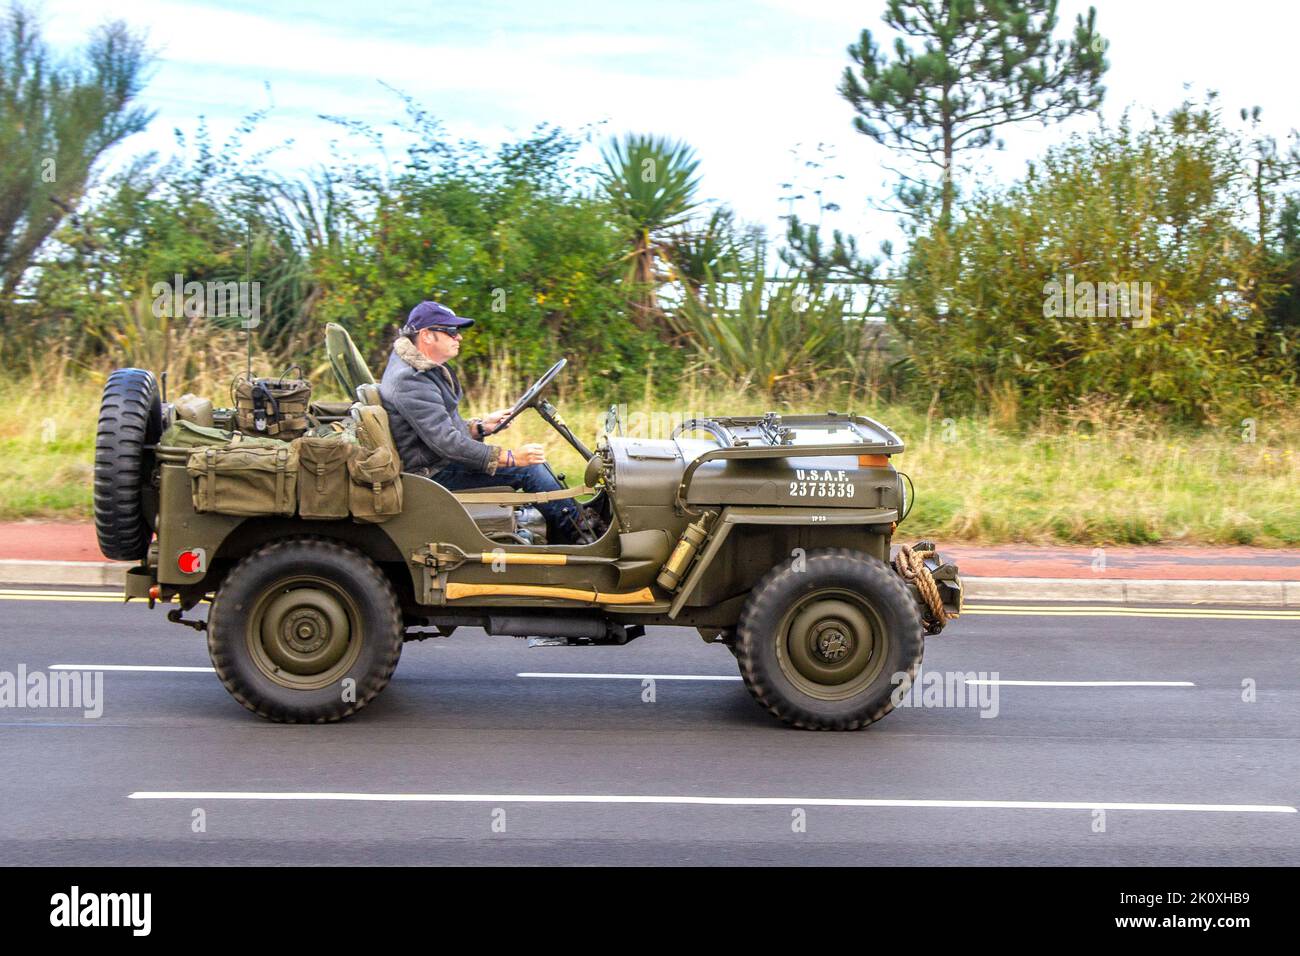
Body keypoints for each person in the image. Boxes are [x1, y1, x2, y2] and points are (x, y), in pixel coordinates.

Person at [379, 300, 591, 544]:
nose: (458, 337)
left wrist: (479, 427)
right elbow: (447, 443)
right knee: (528, 468)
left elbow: (440, 426)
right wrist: (510, 458)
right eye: (451, 331)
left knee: (533, 463)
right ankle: (579, 536)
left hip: (438, 462)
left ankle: (569, 525)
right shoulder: (411, 379)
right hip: (431, 475)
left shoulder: (421, 370)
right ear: (426, 336)